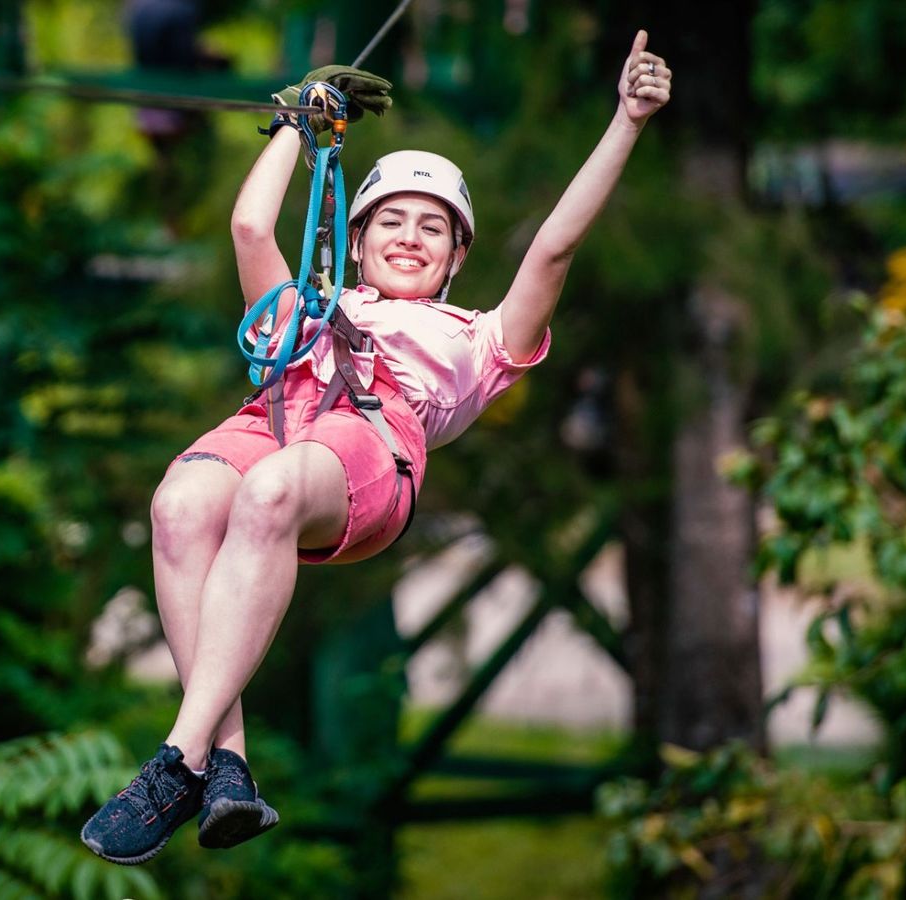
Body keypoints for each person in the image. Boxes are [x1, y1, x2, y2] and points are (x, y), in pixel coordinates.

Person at [81, 29, 672, 865]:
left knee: (270, 494)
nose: (410, 236)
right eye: (391, 220)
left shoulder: (478, 338)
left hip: (372, 445)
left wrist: (627, 120)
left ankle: (177, 756)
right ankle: (228, 768)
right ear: (356, 241)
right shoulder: (308, 313)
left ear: (457, 258)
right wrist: (300, 122)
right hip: (279, 417)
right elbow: (252, 226)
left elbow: (554, 246)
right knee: (179, 506)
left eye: (434, 229)